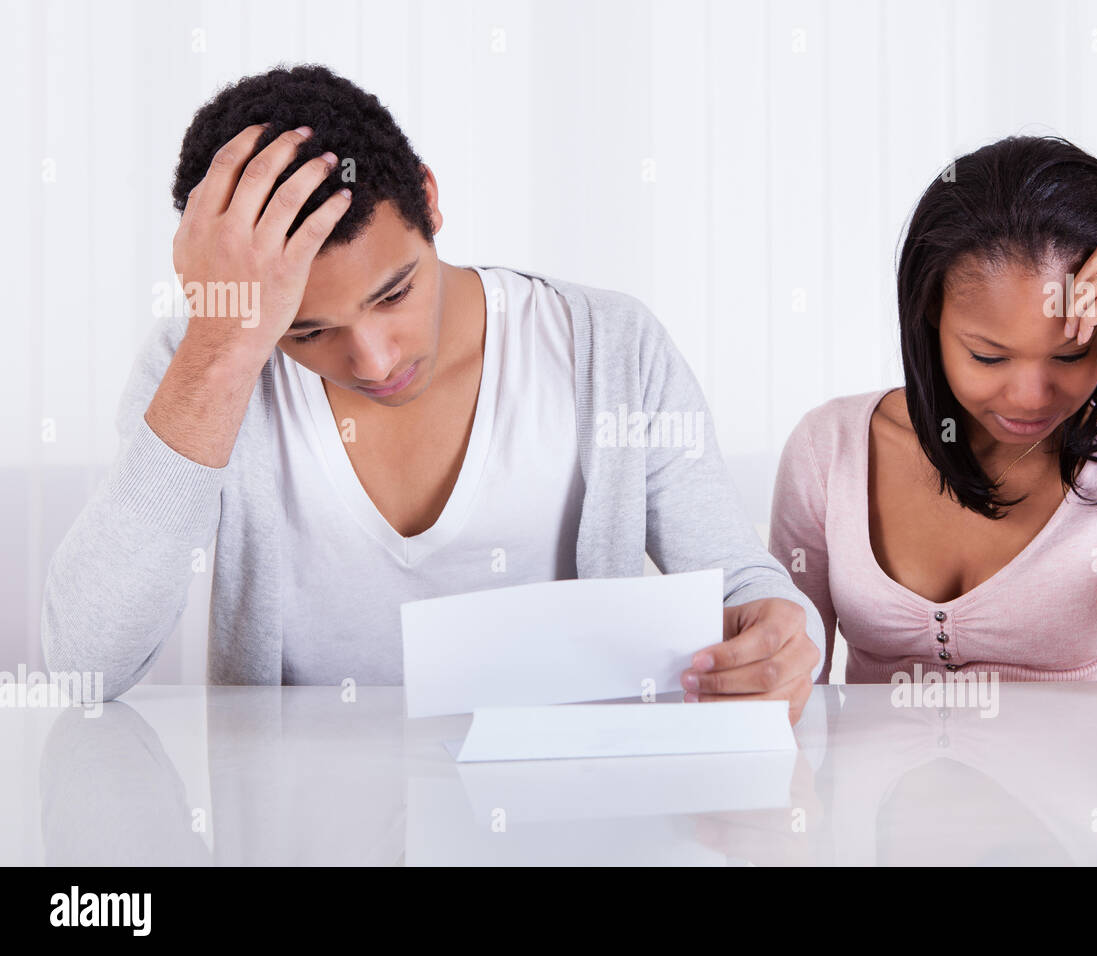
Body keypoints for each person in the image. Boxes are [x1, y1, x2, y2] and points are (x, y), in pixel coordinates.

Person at [41, 64, 822, 721]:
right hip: (293, 831)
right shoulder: (205, 361)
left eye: (394, 293)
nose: (375, 361)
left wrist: (788, 635)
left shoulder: (610, 346)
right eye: (307, 332)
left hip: (570, 822)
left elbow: (744, 587)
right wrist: (220, 352)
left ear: (429, 197)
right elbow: (84, 665)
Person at [769, 135, 1097, 700]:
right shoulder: (829, 450)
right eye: (988, 357)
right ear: (930, 314)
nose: (1029, 398)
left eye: (1069, 356)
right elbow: (788, 686)